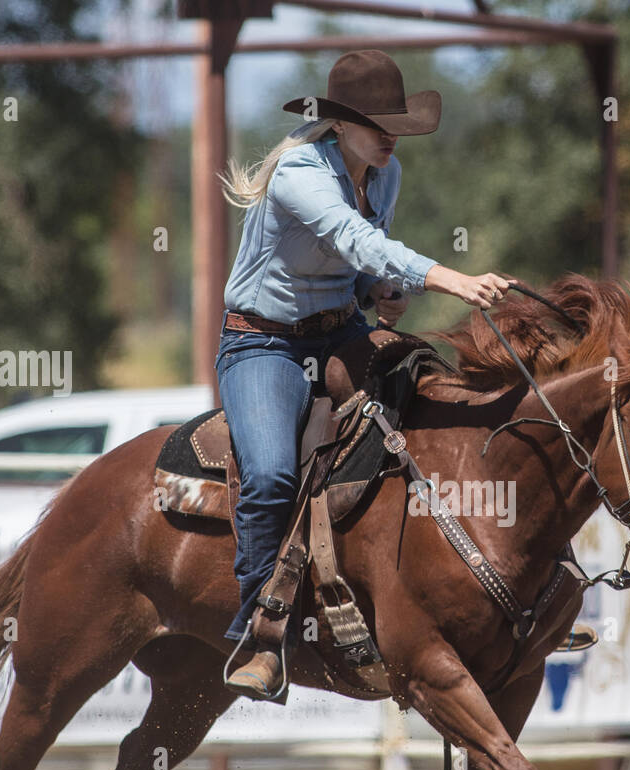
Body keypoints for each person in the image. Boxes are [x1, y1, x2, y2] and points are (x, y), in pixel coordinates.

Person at [216, 49, 510, 698]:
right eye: (379, 123)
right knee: (269, 475)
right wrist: (450, 279)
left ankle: (480, 595)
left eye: (394, 123)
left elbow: (363, 262)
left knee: (427, 395)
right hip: (263, 346)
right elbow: (355, 238)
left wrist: (384, 291)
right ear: (340, 124)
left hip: (343, 330)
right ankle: (259, 632)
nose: (390, 135)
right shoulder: (299, 171)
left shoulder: (386, 172)